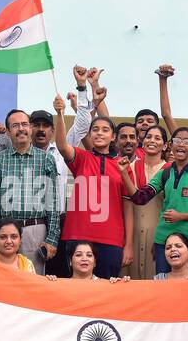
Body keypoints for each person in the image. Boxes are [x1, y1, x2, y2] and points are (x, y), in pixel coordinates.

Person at [52, 92, 132, 278]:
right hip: (76, 237)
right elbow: (62, 145)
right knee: (75, 294)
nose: (99, 133)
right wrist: (60, 113)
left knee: (107, 294)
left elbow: (128, 208)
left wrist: (128, 245)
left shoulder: (123, 165)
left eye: (105, 130)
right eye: (95, 129)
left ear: (113, 137)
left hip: (111, 239)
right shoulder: (82, 158)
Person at [121, 127, 188, 275]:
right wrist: (124, 173)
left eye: (186, 141)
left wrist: (181, 216)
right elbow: (140, 198)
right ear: (171, 145)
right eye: (177, 141)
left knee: (186, 286)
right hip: (163, 240)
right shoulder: (164, 173)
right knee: (163, 285)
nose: (181, 145)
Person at [0, 109, 62, 275]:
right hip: (5, 231)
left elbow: (53, 201)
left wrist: (51, 239)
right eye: (15, 125)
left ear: (30, 128)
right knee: (5, 280)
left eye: (24, 124)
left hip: (35, 229)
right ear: (8, 132)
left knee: (33, 283)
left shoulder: (46, 159)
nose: (21, 129)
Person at [127, 124, 168, 280]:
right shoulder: (128, 169)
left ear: (164, 145)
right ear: (141, 142)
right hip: (132, 236)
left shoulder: (170, 171)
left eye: (157, 138)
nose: (152, 141)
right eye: (148, 137)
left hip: (159, 237)